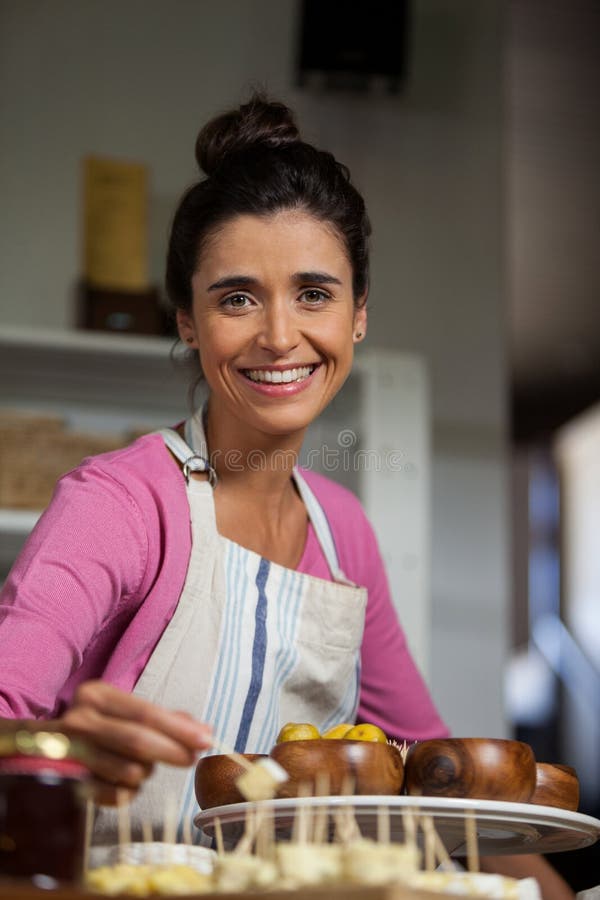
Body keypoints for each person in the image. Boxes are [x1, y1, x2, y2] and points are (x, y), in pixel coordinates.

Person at [0, 95, 574, 898]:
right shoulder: (119, 503)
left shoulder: (346, 534)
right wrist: (50, 748)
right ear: (190, 322)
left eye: (314, 293)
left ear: (359, 314)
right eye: (237, 297)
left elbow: (441, 780)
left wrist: (549, 889)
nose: (278, 335)